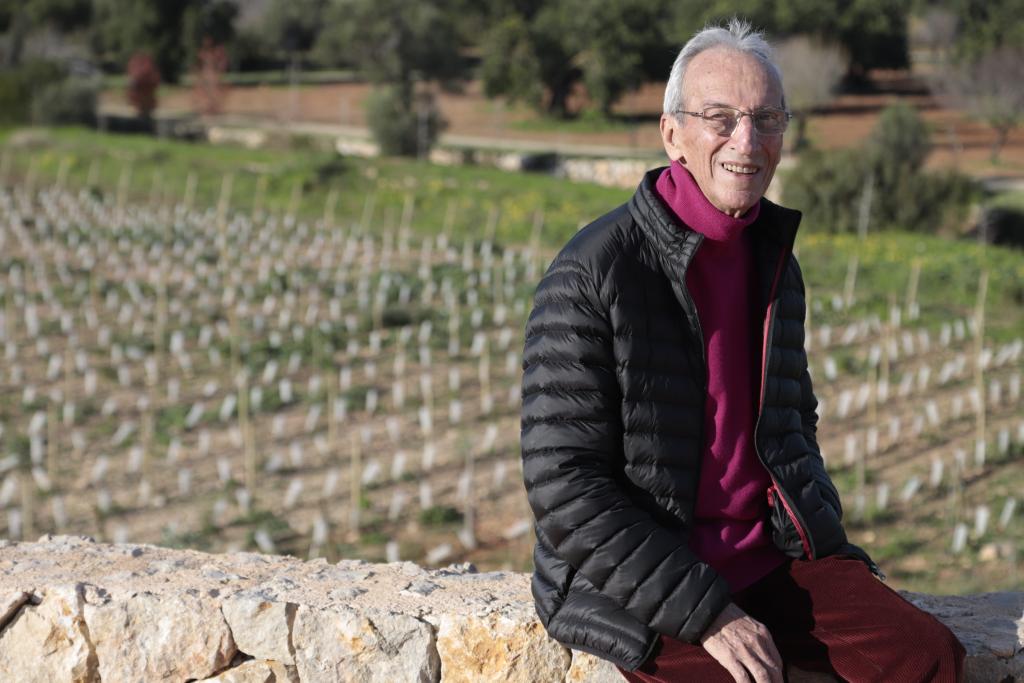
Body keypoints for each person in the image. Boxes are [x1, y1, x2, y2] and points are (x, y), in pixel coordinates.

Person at [520, 18, 965, 683]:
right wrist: (707, 613)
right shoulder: (592, 274)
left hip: (769, 560)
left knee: (927, 656)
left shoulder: (775, 261)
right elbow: (564, 484)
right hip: (642, 583)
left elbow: (792, 423)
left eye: (767, 119)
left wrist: (826, 544)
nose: (747, 141)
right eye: (720, 119)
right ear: (673, 134)